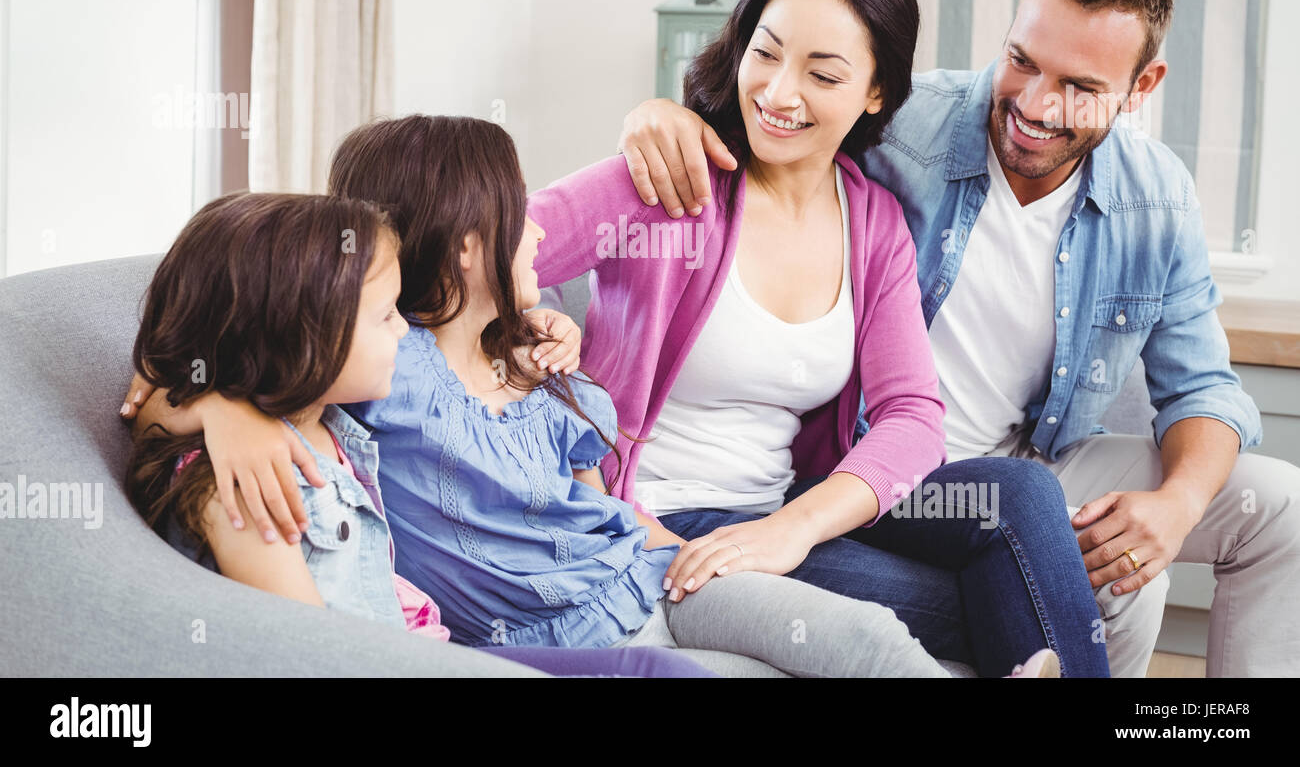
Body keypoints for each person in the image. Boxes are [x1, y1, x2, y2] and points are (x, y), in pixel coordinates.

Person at [127, 116, 1059, 677]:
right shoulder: (381, 381)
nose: (540, 236)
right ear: (462, 251)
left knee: (865, 636)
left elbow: (590, 499)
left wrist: (669, 534)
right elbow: (193, 377)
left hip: (651, 565)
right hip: (548, 623)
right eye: (517, 220)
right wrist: (220, 411)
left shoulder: (520, 361)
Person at [617, 0, 1300, 677]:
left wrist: (1178, 504)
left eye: (1078, 87)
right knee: (1023, 512)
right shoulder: (905, 126)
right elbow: (768, 136)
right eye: (1021, 61)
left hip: (1031, 465)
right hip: (878, 470)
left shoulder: (1157, 198)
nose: (1035, 105)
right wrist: (661, 114)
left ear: (1142, 87)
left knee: (1281, 507)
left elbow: (1202, 386)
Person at [526, 0, 1108, 677]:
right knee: (996, 605)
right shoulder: (670, 179)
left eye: (821, 73)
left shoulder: (871, 221)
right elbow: (479, 244)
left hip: (784, 505)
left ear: (875, 93)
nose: (777, 93)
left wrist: (793, 529)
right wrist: (525, 331)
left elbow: (911, 416)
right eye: (764, 53)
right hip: (671, 517)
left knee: (1020, 495)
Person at [124, 190, 715, 678]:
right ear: (303, 336)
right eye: (386, 318)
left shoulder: (329, 420)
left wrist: (220, 410)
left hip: (431, 648)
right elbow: (308, 653)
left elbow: (165, 403)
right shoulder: (249, 486)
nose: (406, 334)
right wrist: (220, 413)